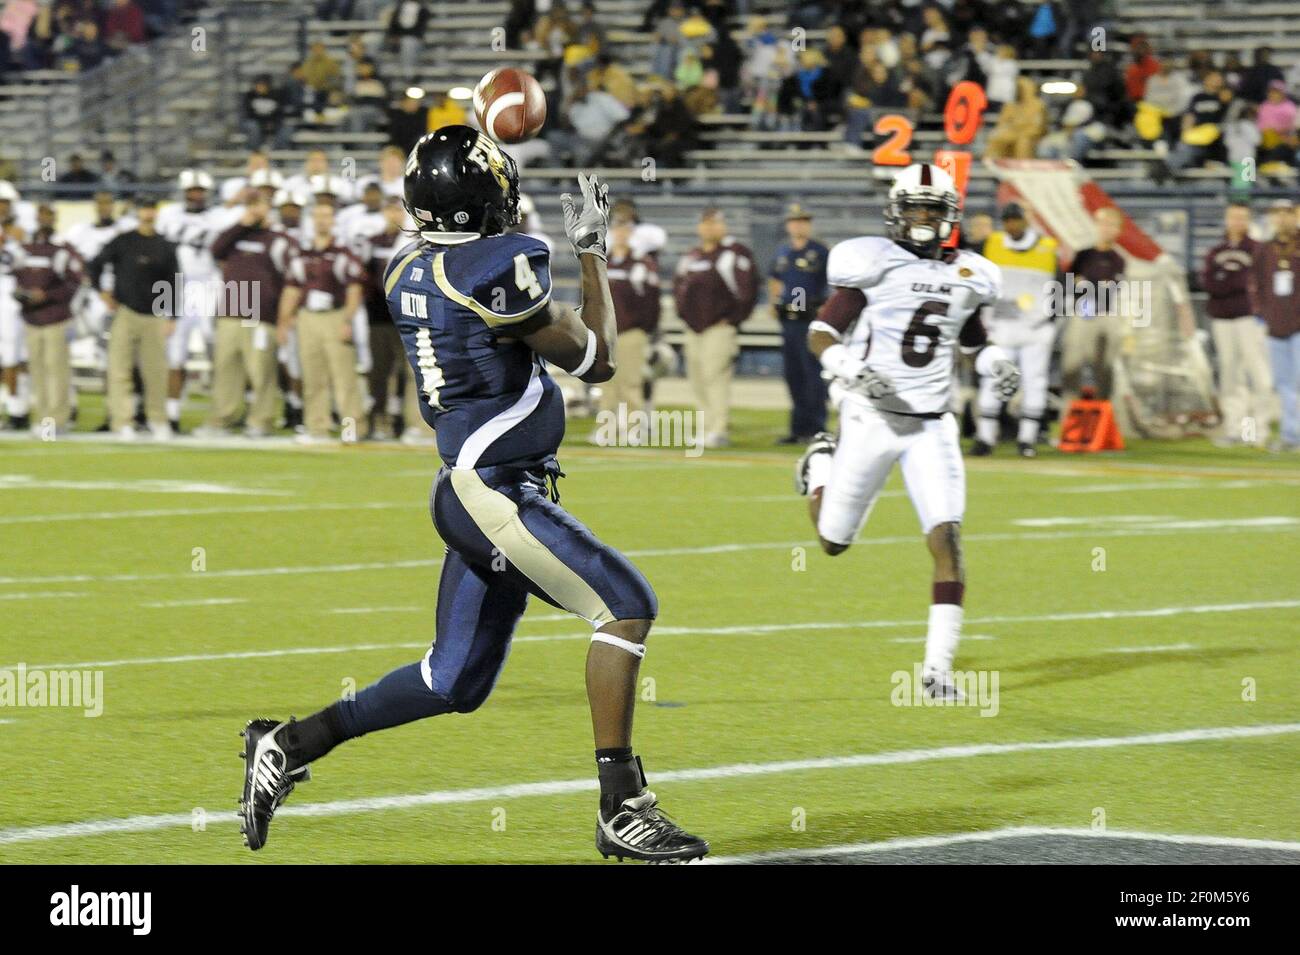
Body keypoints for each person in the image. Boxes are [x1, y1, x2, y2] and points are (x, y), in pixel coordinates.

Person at [239, 126, 709, 863]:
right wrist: (592, 251)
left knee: (450, 680)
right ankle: (623, 805)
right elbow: (599, 358)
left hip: (468, 488)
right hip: (491, 489)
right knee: (625, 606)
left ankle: (289, 741)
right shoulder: (497, 265)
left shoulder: (406, 268)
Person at [794, 163, 1018, 700]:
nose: (922, 218)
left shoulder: (970, 274)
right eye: (914, 208)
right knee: (831, 542)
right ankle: (819, 466)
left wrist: (994, 364)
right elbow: (822, 332)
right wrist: (848, 368)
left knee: (947, 537)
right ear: (896, 212)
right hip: (870, 417)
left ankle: (937, 672)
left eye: (932, 209)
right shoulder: (874, 263)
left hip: (932, 426)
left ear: (949, 216)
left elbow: (973, 341)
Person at [200, 191, 294, 437]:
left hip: (261, 315)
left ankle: (261, 421)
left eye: (259, 205)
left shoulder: (279, 239)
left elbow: (290, 279)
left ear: (269, 208)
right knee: (225, 369)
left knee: (261, 371)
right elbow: (215, 249)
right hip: (230, 311)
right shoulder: (234, 236)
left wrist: (283, 317)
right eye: (251, 206)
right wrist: (242, 224)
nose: (255, 210)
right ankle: (222, 419)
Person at [87, 197, 179, 440]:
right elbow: (94, 265)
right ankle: (122, 421)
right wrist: (102, 291)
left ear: (156, 213)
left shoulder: (165, 245)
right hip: (125, 311)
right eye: (145, 209)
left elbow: (174, 282)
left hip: (155, 314)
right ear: (139, 213)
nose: (148, 214)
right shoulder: (124, 241)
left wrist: (172, 315)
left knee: (156, 372)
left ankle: (158, 420)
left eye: (151, 209)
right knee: (119, 370)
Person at [276, 199, 367, 445]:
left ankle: (351, 429)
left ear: (334, 220)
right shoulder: (301, 253)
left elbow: (354, 289)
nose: (321, 220)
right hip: (307, 318)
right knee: (313, 376)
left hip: (334, 315)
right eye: (317, 216)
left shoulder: (343, 252)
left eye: (326, 216)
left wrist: (347, 320)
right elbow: (291, 290)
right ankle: (317, 427)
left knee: (343, 376)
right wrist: (283, 322)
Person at [974, 202, 1059, 457]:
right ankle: (985, 438)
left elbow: (1060, 286)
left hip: (1036, 327)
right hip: (1001, 326)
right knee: (994, 379)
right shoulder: (992, 244)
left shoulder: (1048, 248)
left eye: (1016, 220)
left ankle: (1027, 440)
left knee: (1034, 382)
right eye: (1008, 220)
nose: (1012, 225)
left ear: (1026, 220)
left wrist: (1047, 318)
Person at [672, 207, 758, 448]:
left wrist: (733, 319)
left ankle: (718, 428)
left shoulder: (734, 253)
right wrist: (684, 316)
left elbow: (747, 290)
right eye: (705, 223)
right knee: (697, 379)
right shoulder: (692, 256)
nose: (709, 228)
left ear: (723, 226)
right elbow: (679, 287)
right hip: (693, 328)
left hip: (719, 327)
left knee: (715, 377)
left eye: (714, 223)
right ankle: (706, 427)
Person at [1203, 202, 1272, 446]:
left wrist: (1228, 280)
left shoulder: (1258, 250)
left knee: (1258, 373)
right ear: (1226, 219)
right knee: (1230, 376)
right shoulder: (1215, 251)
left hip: (1250, 318)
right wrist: (1236, 282)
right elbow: (1210, 283)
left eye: (1242, 217)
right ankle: (1235, 429)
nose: (1237, 222)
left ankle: (1258, 430)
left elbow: (1256, 282)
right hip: (1222, 318)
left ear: (1248, 221)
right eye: (1233, 217)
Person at [14, 204, 81, 435]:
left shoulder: (63, 249)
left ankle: (57, 420)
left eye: (49, 215)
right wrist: (21, 294)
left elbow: (74, 282)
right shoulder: (25, 248)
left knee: (57, 371)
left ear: (55, 218)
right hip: (32, 318)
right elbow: (16, 276)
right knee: (38, 371)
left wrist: (48, 295)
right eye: (41, 215)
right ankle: (42, 418)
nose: (44, 219)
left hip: (56, 318)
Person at [593, 209, 659, 440]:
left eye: (626, 229)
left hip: (631, 332)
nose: (621, 233)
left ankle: (634, 428)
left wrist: (643, 328)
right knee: (606, 384)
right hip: (605, 332)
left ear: (632, 233)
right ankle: (606, 428)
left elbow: (652, 300)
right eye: (617, 228)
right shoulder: (601, 260)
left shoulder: (642, 264)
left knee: (631, 382)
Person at [769, 203, 829, 444]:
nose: (798, 225)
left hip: (811, 319)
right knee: (793, 374)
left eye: (803, 221)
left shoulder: (819, 251)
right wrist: (774, 302)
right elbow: (775, 278)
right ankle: (798, 427)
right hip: (790, 320)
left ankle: (816, 427)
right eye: (794, 221)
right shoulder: (783, 252)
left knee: (812, 374)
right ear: (788, 225)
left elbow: (830, 283)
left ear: (809, 224)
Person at [1060, 207, 1126, 406]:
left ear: (1118, 230)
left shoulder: (1118, 259)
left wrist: (1089, 284)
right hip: (1084, 312)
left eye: (1111, 225)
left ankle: (1102, 412)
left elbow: (1112, 289)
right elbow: (1072, 284)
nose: (1106, 229)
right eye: (1103, 223)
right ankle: (1070, 410)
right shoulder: (1083, 255)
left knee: (1104, 367)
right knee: (1072, 364)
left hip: (1106, 314)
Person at [1251, 200, 1300, 452]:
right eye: (1277, 213)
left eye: (1286, 213)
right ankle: (1291, 435)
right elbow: (1255, 283)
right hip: (1275, 325)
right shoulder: (1265, 250)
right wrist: (1260, 311)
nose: (1281, 218)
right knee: (1283, 383)